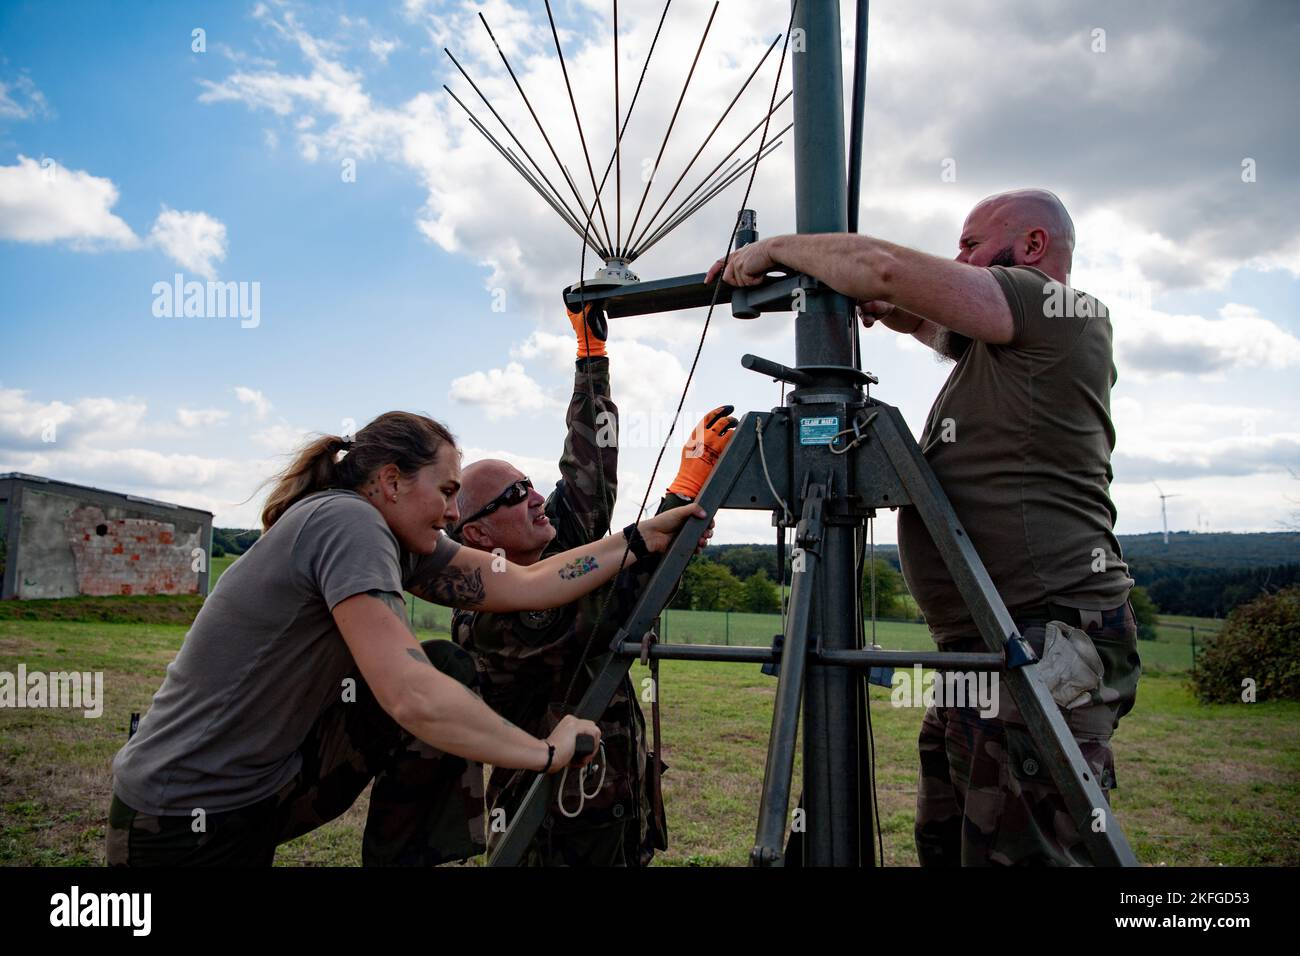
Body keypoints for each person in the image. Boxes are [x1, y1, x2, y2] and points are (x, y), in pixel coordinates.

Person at [707, 188, 1140, 866]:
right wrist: (896, 315)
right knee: (957, 840)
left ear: (1031, 247)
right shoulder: (1010, 348)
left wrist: (775, 251)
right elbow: (925, 315)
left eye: (971, 245)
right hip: (988, 641)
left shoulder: (1058, 309)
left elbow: (881, 266)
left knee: (1020, 847)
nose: (959, 258)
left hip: (1040, 633)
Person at [106, 410, 707, 866]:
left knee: (446, 665)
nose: (451, 514)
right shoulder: (347, 522)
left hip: (258, 795)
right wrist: (547, 755)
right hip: (180, 814)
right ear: (391, 482)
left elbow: (531, 581)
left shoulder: (400, 540)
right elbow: (409, 693)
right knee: (438, 671)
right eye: (446, 492)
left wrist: (641, 539)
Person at [450, 302, 737, 866]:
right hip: (553, 827)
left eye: (528, 483)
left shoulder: (551, 554)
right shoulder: (491, 613)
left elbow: (586, 476)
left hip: (613, 807)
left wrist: (591, 358)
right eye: (513, 495)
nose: (535, 496)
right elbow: (617, 602)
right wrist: (683, 494)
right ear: (479, 535)